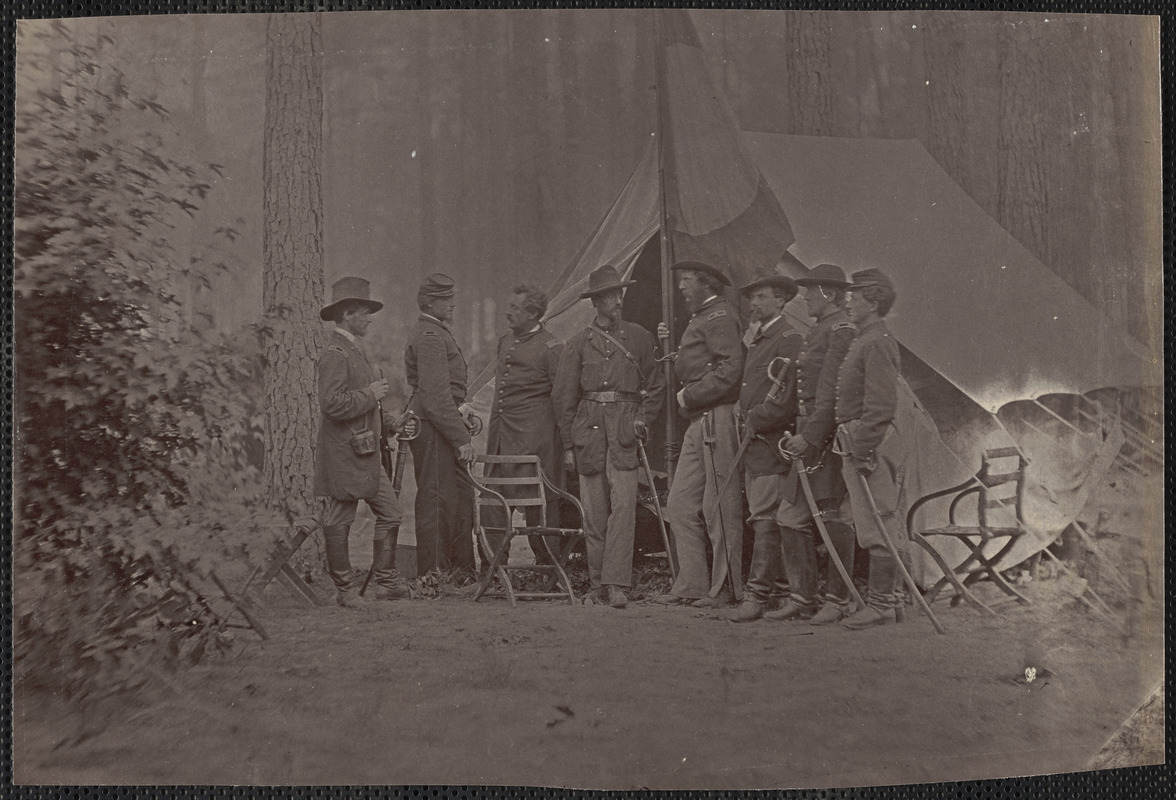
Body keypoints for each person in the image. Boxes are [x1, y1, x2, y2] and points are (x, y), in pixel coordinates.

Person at [553, 265, 664, 609]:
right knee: (594, 512)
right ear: (596, 302)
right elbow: (563, 397)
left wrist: (642, 420)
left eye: (620, 294)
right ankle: (598, 583)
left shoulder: (640, 337)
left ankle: (617, 584)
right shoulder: (577, 345)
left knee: (625, 508)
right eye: (610, 295)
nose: (618, 300)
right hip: (588, 435)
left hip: (624, 433)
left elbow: (657, 384)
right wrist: (570, 445)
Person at [769, 264, 859, 624]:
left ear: (831, 294)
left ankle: (839, 600)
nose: (804, 296)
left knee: (835, 515)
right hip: (808, 430)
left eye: (812, 290)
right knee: (789, 516)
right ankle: (802, 597)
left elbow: (835, 394)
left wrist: (812, 436)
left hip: (826, 437)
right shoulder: (820, 329)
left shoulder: (840, 331)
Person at [654, 260, 746, 608]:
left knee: (720, 505)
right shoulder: (703, 317)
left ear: (706, 285)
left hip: (716, 417)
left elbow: (730, 370)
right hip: (698, 420)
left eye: (687, 281)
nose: (681, 288)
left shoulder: (719, 316)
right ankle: (692, 584)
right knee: (678, 504)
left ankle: (725, 589)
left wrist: (688, 395)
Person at [314, 276, 408, 607]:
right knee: (340, 518)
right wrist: (370, 394)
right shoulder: (336, 354)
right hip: (344, 454)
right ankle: (345, 590)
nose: (369, 319)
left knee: (391, 512)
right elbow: (332, 404)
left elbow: (366, 403)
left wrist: (392, 423)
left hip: (366, 453)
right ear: (348, 314)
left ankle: (385, 581)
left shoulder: (355, 349)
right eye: (365, 313)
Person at [727, 272, 804, 622]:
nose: (754, 303)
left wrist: (756, 416)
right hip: (755, 444)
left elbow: (786, 401)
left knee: (765, 521)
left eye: (762, 297)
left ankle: (758, 596)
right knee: (764, 518)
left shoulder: (787, 339)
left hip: (771, 445)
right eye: (753, 297)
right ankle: (781, 593)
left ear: (780, 301)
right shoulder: (759, 338)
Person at [834, 268, 905, 630]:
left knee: (878, 520)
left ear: (873, 300)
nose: (849, 301)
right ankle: (890, 601)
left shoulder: (876, 341)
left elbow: (880, 406)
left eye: (856, 295)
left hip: (868, 440)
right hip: (858, 438)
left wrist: (862, 450)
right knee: (872, 520)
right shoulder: (866, 338)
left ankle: (880, 604)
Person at [482, 285, 564, 567]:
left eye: (515, 308)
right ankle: (492, 569)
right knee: (493, 503)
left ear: (532, 313)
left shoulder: (552, 347)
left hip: (535, 442)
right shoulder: (505, 341)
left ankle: (549, 569)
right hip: (502, 439)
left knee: (540, 507)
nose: (507, 312)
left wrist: (566, 446)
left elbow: (562, 399)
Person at [404, 272, 477, 582]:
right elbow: (434, 398)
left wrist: (461, 415)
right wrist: (460, 437)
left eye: (452, 299)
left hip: (442, 424)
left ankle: (460, 571)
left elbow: (443, 394)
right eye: (446, 300)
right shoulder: (430, 336)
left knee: (459, 496)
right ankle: (432, 574)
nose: (452, 305)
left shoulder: (437, 332)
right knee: (436, 499)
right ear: (428, 302)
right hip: (433, 428)